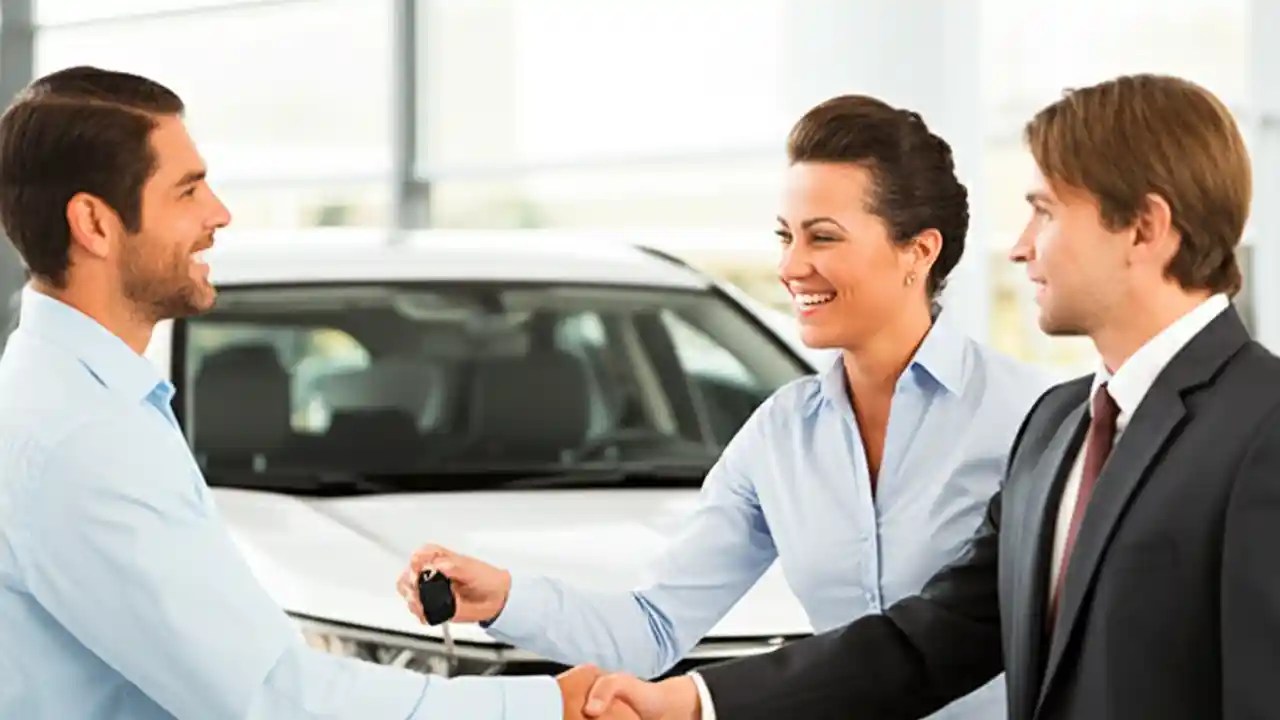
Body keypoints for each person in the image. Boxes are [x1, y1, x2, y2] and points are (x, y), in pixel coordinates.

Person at [578, 73, 1280, 720]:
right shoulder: (1058, 427)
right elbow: (931, 641)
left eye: (1045, 212)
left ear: (1144, 227)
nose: (1019, 247)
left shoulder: (1264, 426)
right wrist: (698, 701)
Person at [0, 66, 637, 720]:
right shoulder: (84, 439)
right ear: (95, 224)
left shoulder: (69, 401)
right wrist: (547, 705)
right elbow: (273, 700)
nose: (219, 213)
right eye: (187, 190)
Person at [397, 95, 1052, 720]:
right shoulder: (781, 435)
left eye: (822, 237)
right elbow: (653, 627)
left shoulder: (1034, 419)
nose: (791, 266)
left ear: (919, 250)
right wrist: (503, 595)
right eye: (784, 236)